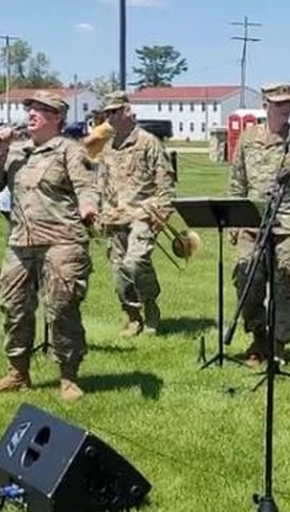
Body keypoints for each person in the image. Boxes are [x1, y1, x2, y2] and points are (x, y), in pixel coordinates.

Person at [0, 90, 99, 403]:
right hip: (21, 242)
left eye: (40, 110)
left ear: (57, 117)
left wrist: (89, 209)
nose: (31, 114)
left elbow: (86, 186)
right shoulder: (18, 153)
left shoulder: (68, 150)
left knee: (61, 308)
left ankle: (69, 377)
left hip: (62, 241)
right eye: (29, 109)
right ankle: (17, 373)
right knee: (13, 305)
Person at [229, 82, 290, 367]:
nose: (285, 108)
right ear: (265, 104)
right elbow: (237, 182)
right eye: (279, 103)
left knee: (286, 284)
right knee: (246, 277)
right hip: (252, 224)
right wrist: (235, 224)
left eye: (289, 103)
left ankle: (278, 343)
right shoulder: (248, 138)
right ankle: (258, 336)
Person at [95, 90, 177, 337]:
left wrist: (161, 214)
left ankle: (151, 305)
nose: (108, 117)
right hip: (114, 216)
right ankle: (132, 316)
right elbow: (102, 183)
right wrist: (99, 213)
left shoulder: (148, 142)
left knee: (136, 261)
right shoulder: (107, 147)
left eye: (113, 112)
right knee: (120, 271)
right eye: (106, 113)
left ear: (127, 112)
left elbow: (165, 180)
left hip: (144, 214)